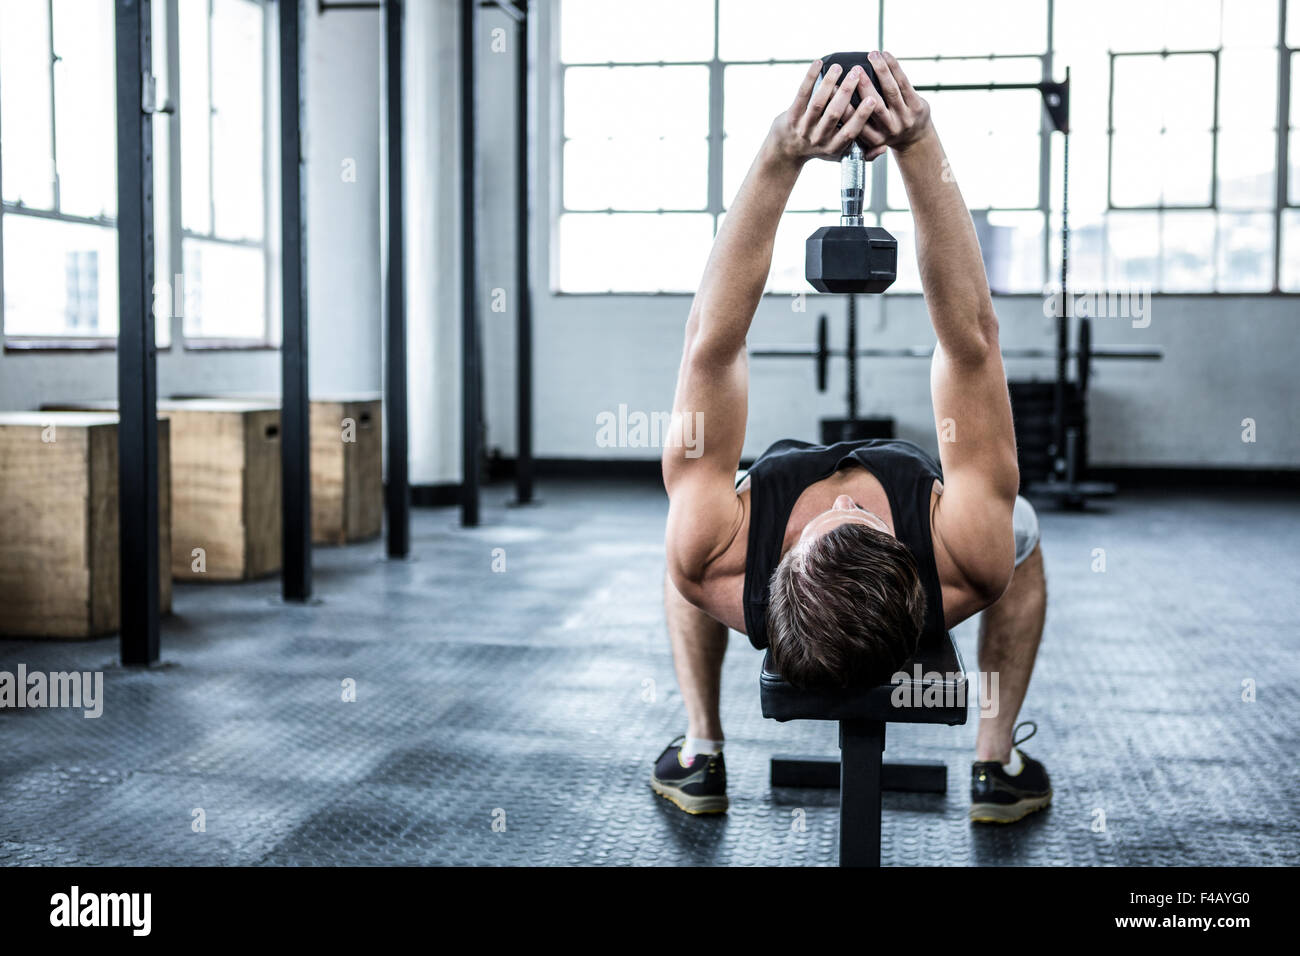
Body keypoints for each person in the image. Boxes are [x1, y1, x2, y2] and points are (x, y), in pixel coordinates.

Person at [652, 52, 1051, 824]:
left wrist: (781, 153)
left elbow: (712, 345)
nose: (842, 500)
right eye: (861, 519)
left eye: (829, 524)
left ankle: (701, 749)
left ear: (779, 570)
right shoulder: (968, 552)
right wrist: (918, 141)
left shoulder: (717, 554)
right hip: (962, 550)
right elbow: (971, 341)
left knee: (681, 544)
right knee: (1021, 534)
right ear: (907, 555)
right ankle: (997, 762)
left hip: (716, 557)